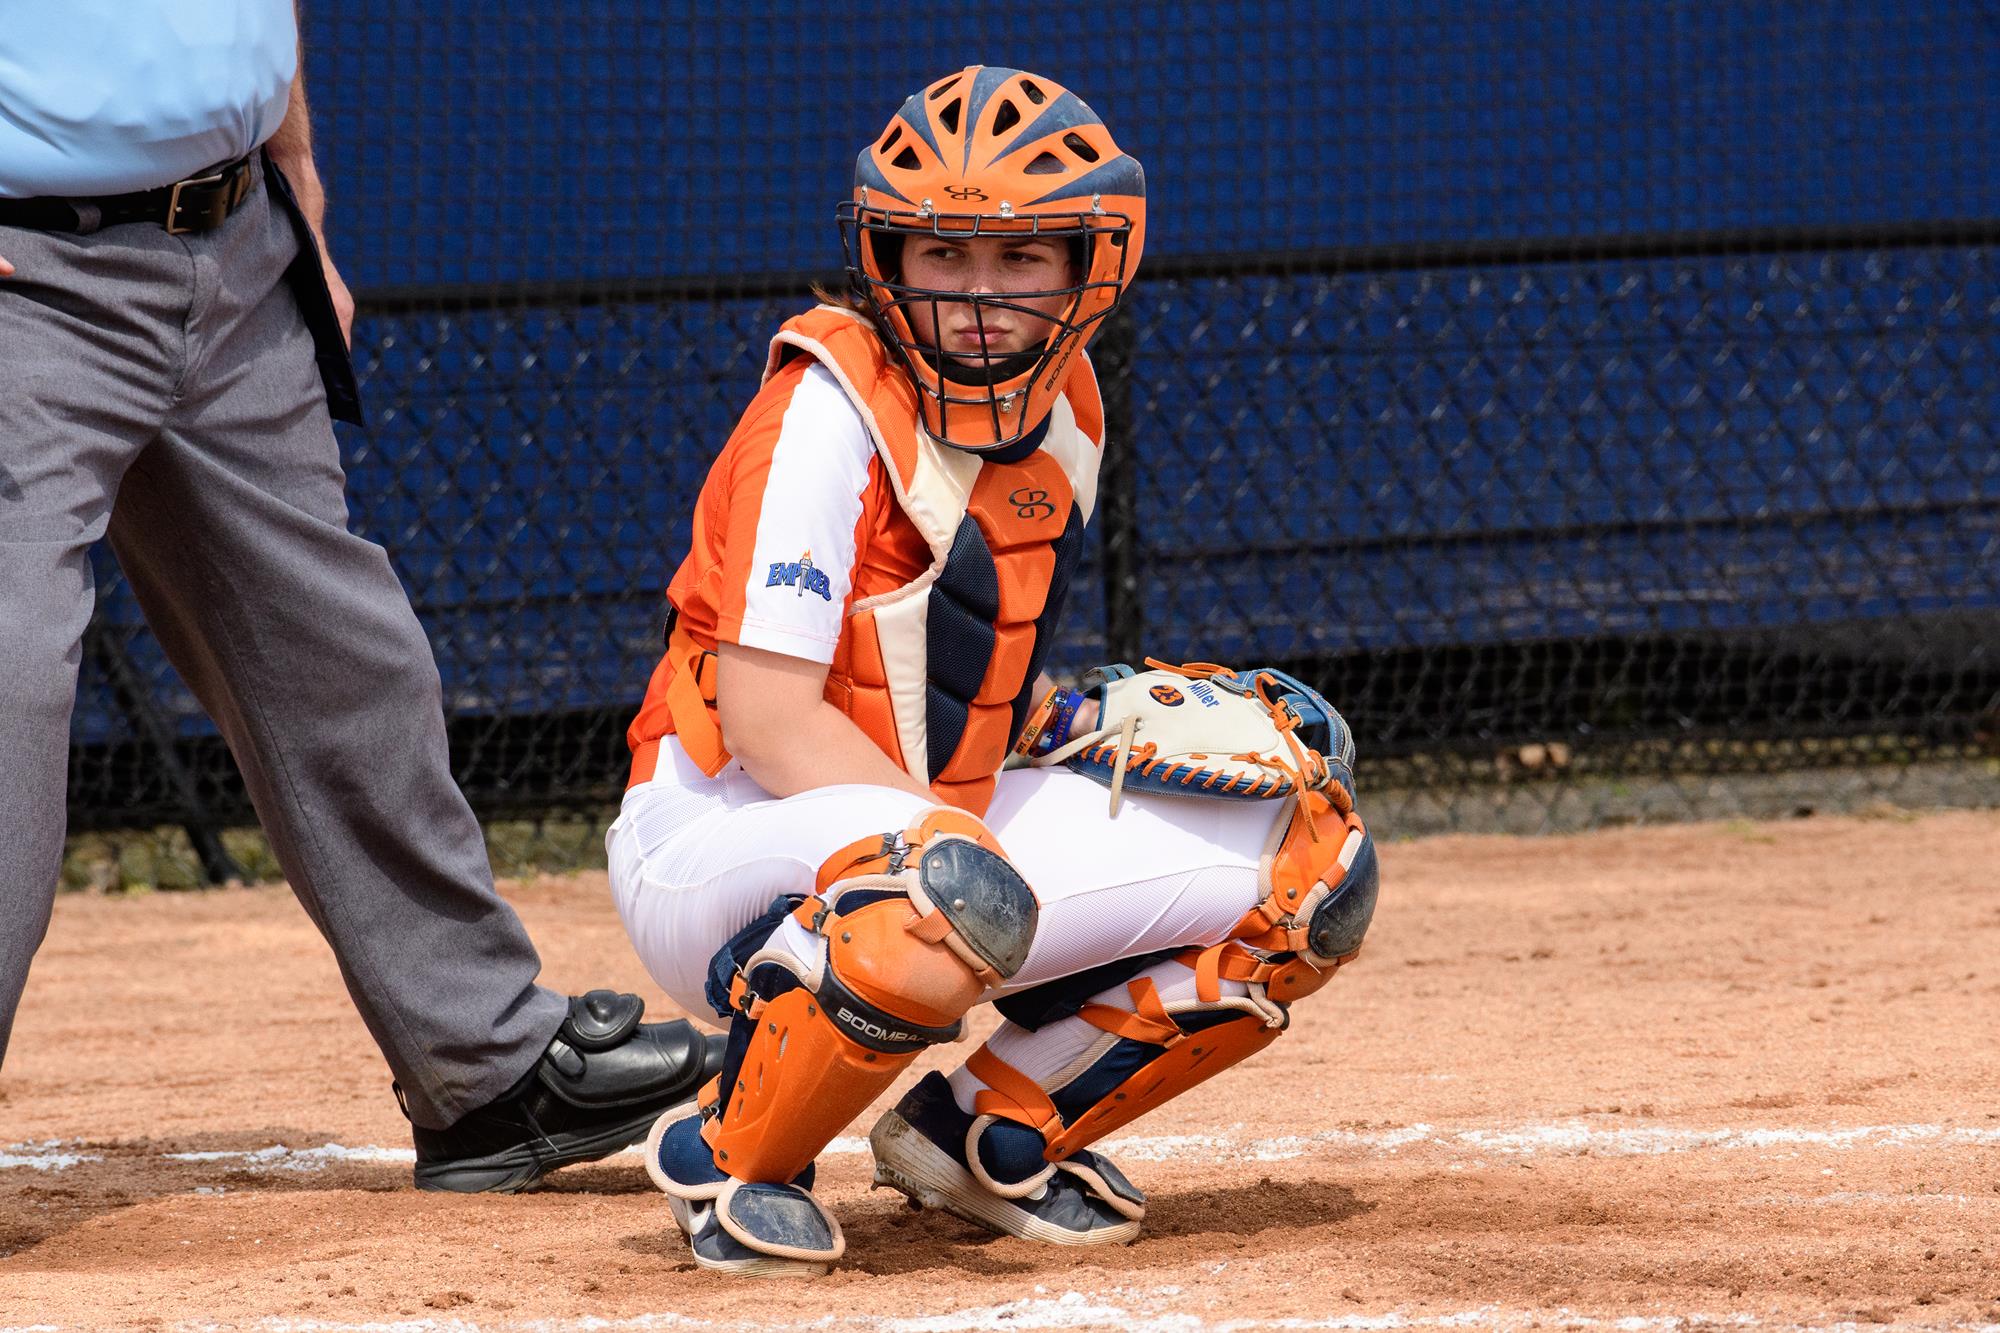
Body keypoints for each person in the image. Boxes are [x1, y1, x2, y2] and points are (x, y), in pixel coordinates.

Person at [612, 65, 1381, 1277]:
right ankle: (735, 1158)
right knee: (944, 889)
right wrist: (963, 880)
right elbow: (766, 721)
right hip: (713, 833)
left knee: (1309, 865)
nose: (976, 296)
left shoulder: (1067, 406)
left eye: (1022, 261)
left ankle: (990, 1135)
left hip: (914, 828)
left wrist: (1068, 722)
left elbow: (945, 670)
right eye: (941, 258)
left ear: (1091, 265)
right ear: (887, 258)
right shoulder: (823, 411)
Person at [0, 2, 719, 1191]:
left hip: (233, 246)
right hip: (28, 275)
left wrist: (292, 166)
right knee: (9, 676)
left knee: (339, 652)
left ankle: (483, 1069)